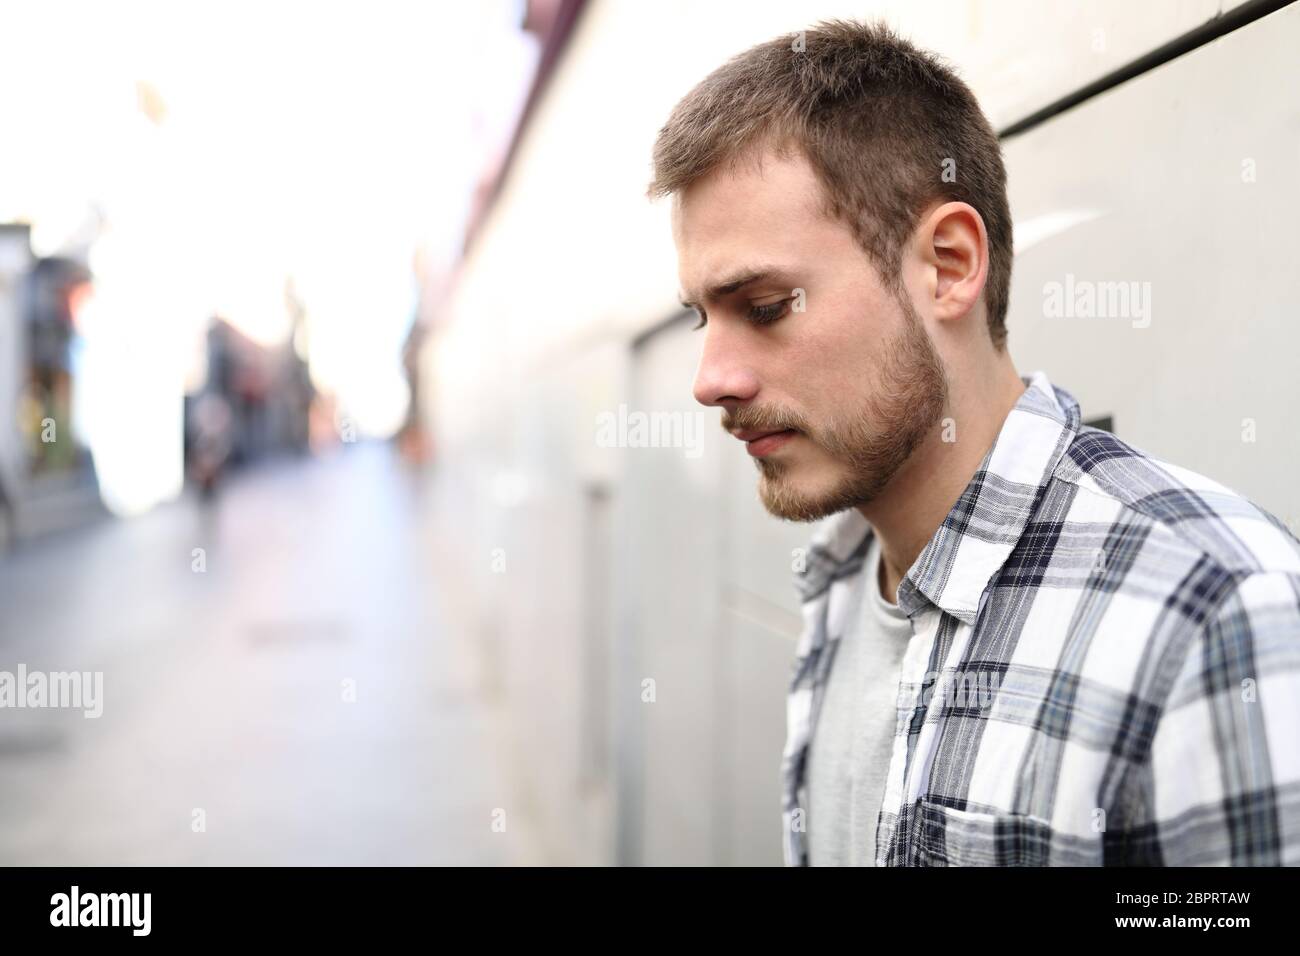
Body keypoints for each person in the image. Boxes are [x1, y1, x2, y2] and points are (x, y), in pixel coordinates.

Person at [649, 19, 1300, 866]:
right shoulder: (844, 569)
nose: (711, 380)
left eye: (766, 307)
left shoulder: (1217, 612)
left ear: (950, 266)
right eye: (703, 318)